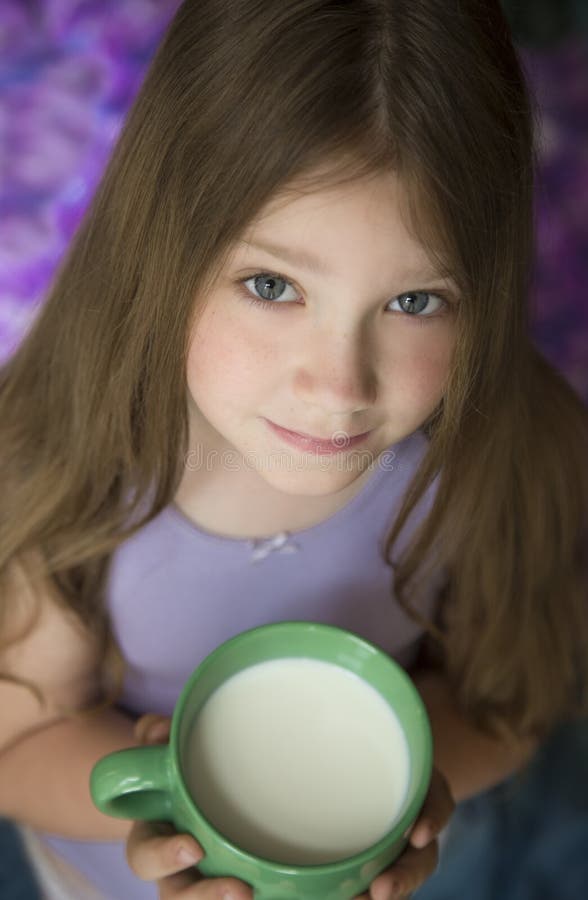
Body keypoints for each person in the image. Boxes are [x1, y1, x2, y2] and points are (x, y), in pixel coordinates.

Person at [0, 0, 587, 898]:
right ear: (161, 247)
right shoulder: (78, 455)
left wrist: (415, 797)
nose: (338, 386)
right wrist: (177, 816)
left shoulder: (495, 450)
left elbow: (504, 701)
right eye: (272, 285)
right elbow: (21, 743)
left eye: (416, 301)